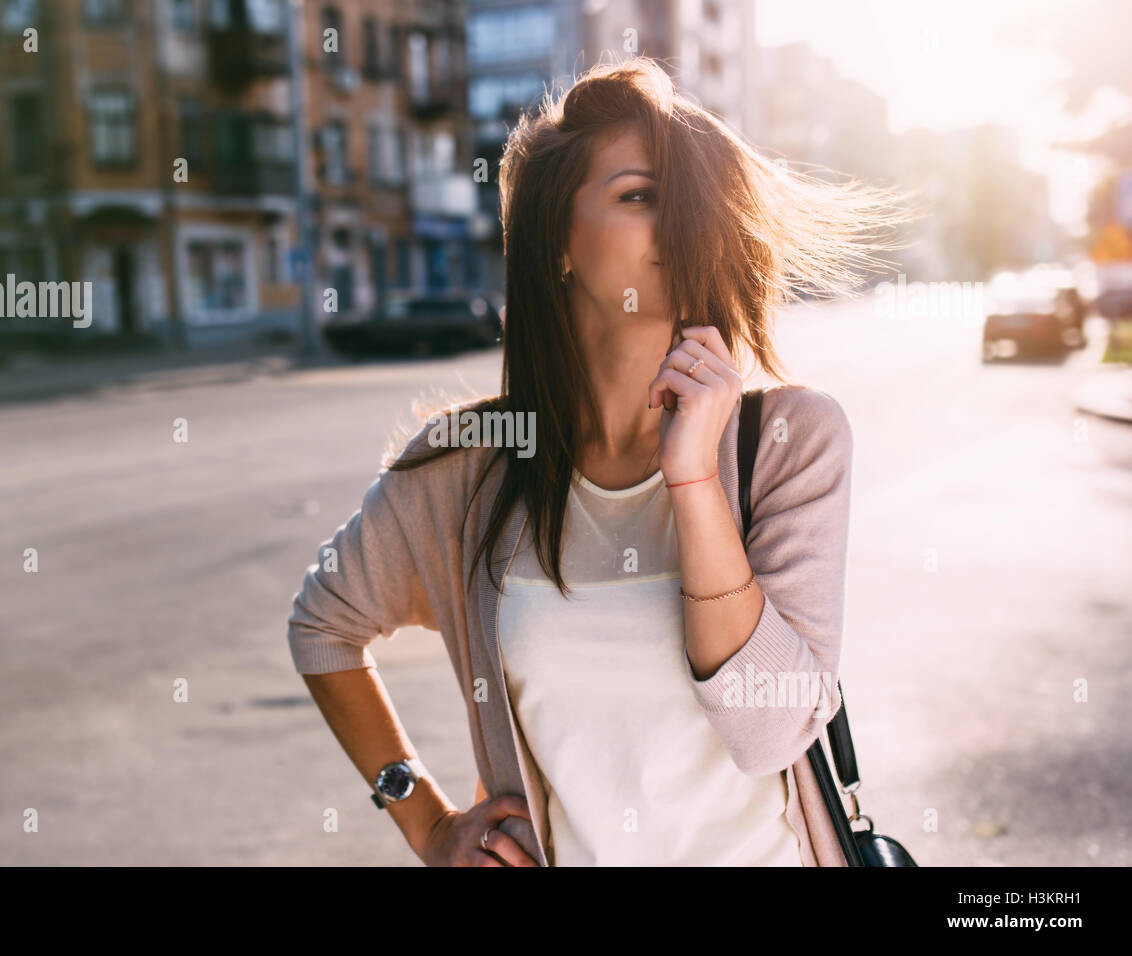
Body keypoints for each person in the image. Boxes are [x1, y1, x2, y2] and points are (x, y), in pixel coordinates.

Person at [287, 56, 908, 866]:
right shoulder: (467, 469)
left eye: (692, 198)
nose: (680, 222)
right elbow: (322, 627)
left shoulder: (791, 441)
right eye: (639, 196)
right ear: (557, 248)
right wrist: (428, 823)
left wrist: (692, 482)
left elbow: (771, 732)